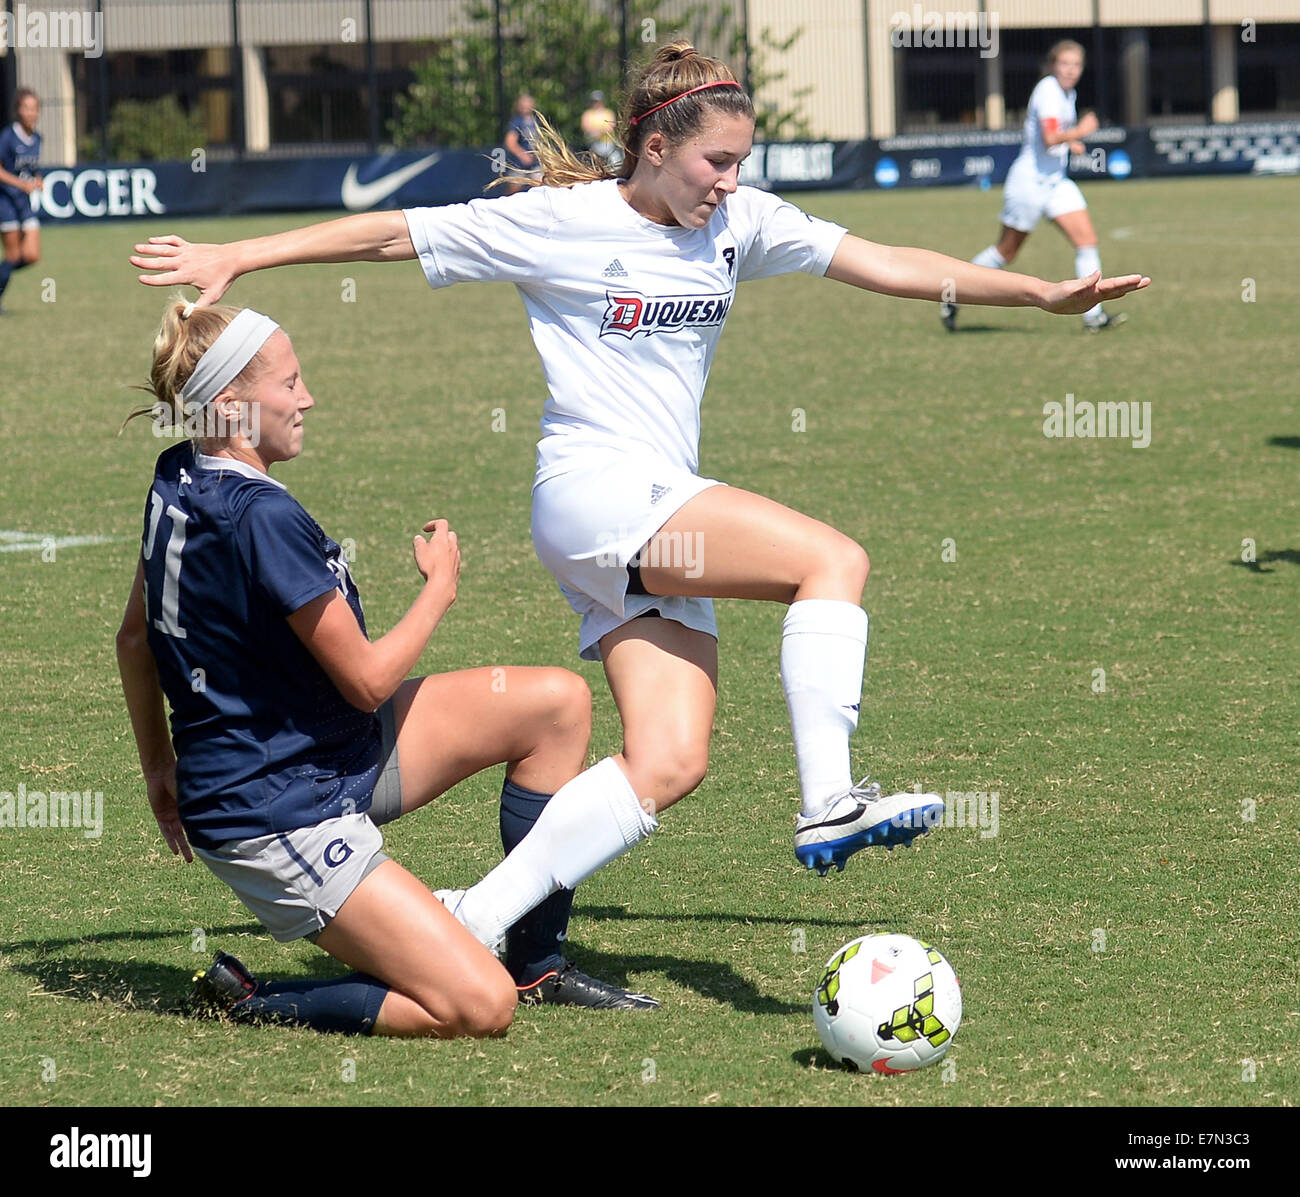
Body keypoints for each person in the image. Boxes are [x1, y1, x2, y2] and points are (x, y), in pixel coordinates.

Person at [130, 42, 1148, 956]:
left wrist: (1043, 293)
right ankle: (830, 799)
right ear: (655, 146)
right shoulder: (558, 224)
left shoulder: (740, 222)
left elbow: (883, 262)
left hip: (654, 510)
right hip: (597, 494)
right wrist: (241, 256)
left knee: (668, 760)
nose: (731, 182)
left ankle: (477, 918)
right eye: (716, 162)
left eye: (742, 163)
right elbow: (392, 236)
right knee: (829, 562)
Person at [116, 300, 656, 1037]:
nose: (307, 398)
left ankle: (538, 963)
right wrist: (439, 587)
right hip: (277, 809)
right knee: (476, 1006)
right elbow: (368, 679)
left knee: (555, 705)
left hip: (325, 748)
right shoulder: (258, 518)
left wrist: (158, 768)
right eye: (291, 383)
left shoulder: (176, 471)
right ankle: (259, 1000)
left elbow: (133, 640)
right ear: (235, 405)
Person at [940, 40, 1123, 333]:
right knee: (1006, 253)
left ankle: (1094, 316)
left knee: (1087, 242)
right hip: (1029, 183)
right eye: (1064, 64)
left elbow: (1054, 138)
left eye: (1076, 65)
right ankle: (952, 293)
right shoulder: (1048, 90)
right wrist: (1081, 131)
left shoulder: (1068, 93)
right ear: (1053, 65)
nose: (1070, 70)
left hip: (1055, 182)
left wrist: (1072, 142)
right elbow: (1050, 138)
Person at [0, 88, 43, 314]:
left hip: (24, 205)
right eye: (26, 108)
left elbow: (32, 168)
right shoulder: (7, 136)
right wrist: (20, 184)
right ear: (18, 110)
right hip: (6, 204)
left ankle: (2, 274)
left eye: (34, 108)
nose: (30, 112)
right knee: (13, 256)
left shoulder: (37, 138)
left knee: (32, 255)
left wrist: (38, 179)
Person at [503, 93, 541, 195]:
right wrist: (522, 155)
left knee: (539, 188)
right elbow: (510, 142)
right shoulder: (517, 121)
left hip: (535, 162)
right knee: (513, 190)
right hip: (519, 163)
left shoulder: (536, 121)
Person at [582, 90, 620, 168]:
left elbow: (610, 127)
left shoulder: (608, 113)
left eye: (598, 101)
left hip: (608, 144)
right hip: (593, 145)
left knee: (615, 160)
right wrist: (600, 130)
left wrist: (598, 131)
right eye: (594, 101)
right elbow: (585, 127)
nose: (596, 103)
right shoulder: (588, 114)